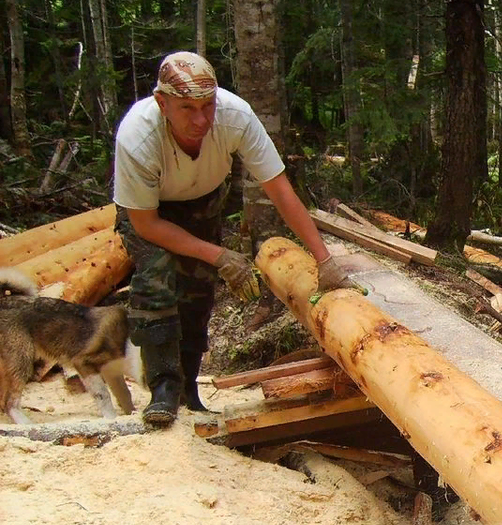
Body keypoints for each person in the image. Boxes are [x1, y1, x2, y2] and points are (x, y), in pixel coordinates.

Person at [113, 51, 355, 427]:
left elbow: (279, 188)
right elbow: (146, 225)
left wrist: (324, 260)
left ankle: (188, 389)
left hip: (203, 200)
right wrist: (220, 254)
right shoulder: (137, 136)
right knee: (156, 280)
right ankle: (162, 387)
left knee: (197, 291)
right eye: (187, 109)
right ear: (162, 103)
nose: (201, 119)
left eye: (207, 106)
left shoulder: (235, 116)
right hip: (151, 213)